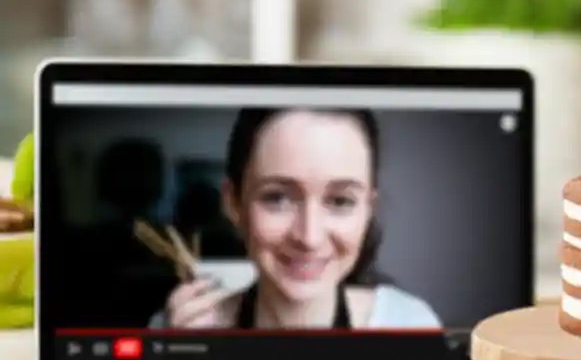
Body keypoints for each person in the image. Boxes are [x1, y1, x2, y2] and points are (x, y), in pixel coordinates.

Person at [149, 107, 442, 331]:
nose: (309, 237)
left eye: (340, 201)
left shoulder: (410, 323)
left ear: (368, 210)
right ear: (234, 203)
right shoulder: (173, 328)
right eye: (277, 198)